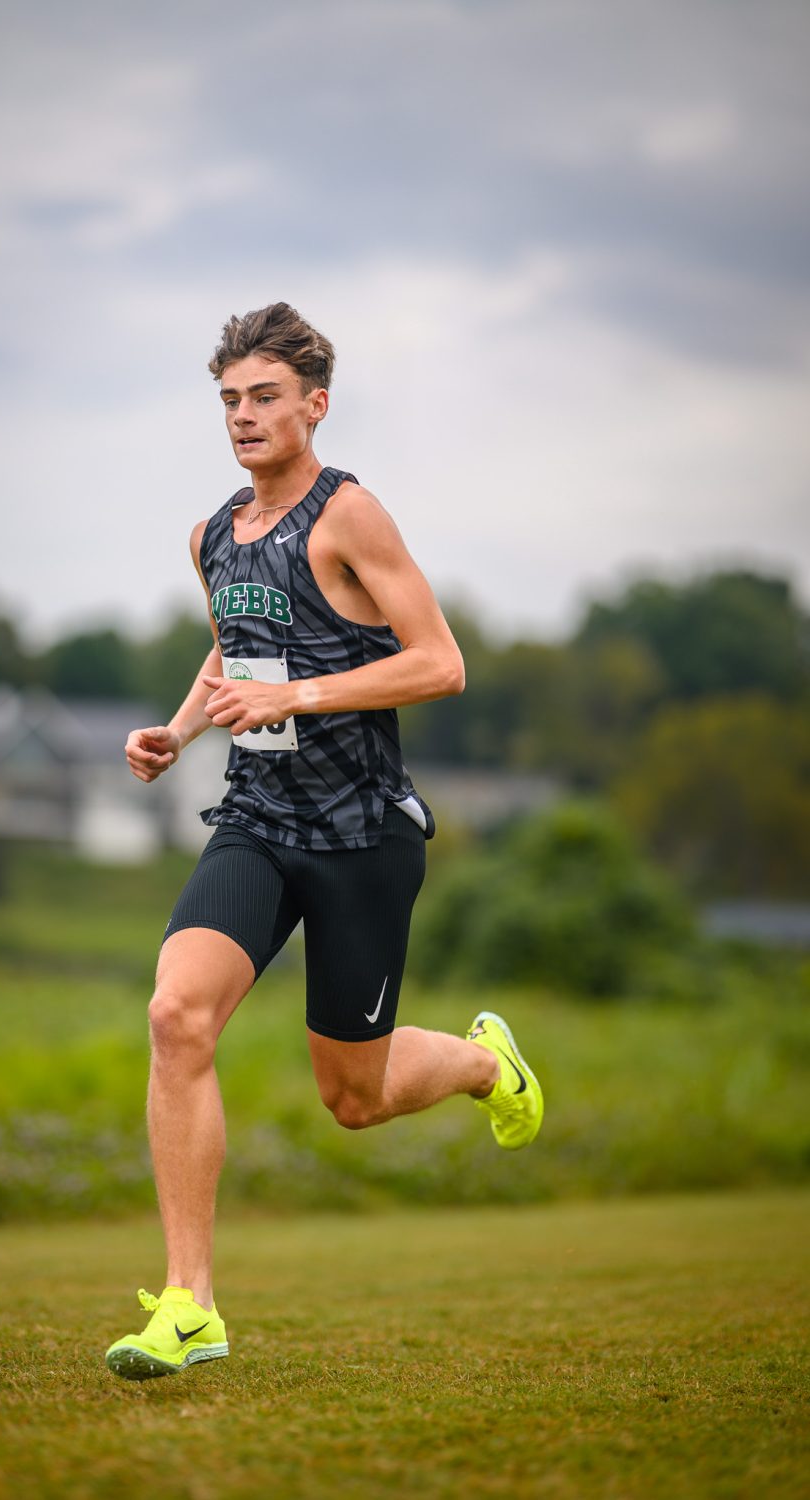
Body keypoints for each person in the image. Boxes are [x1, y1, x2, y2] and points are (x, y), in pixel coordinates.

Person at [105, 303, 544, 1381]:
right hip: (255, 823)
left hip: (359, 837)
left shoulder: (351, 517)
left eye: (263, 397)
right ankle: (189, 1303)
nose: (243, 417)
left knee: (352, 1100)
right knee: (175, 1014)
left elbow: (439, 663)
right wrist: (178, 728)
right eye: (228, 401)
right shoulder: (212, 535)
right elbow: (231, 654)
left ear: (314, 404)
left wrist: (305, 690)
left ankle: (485, 1063)